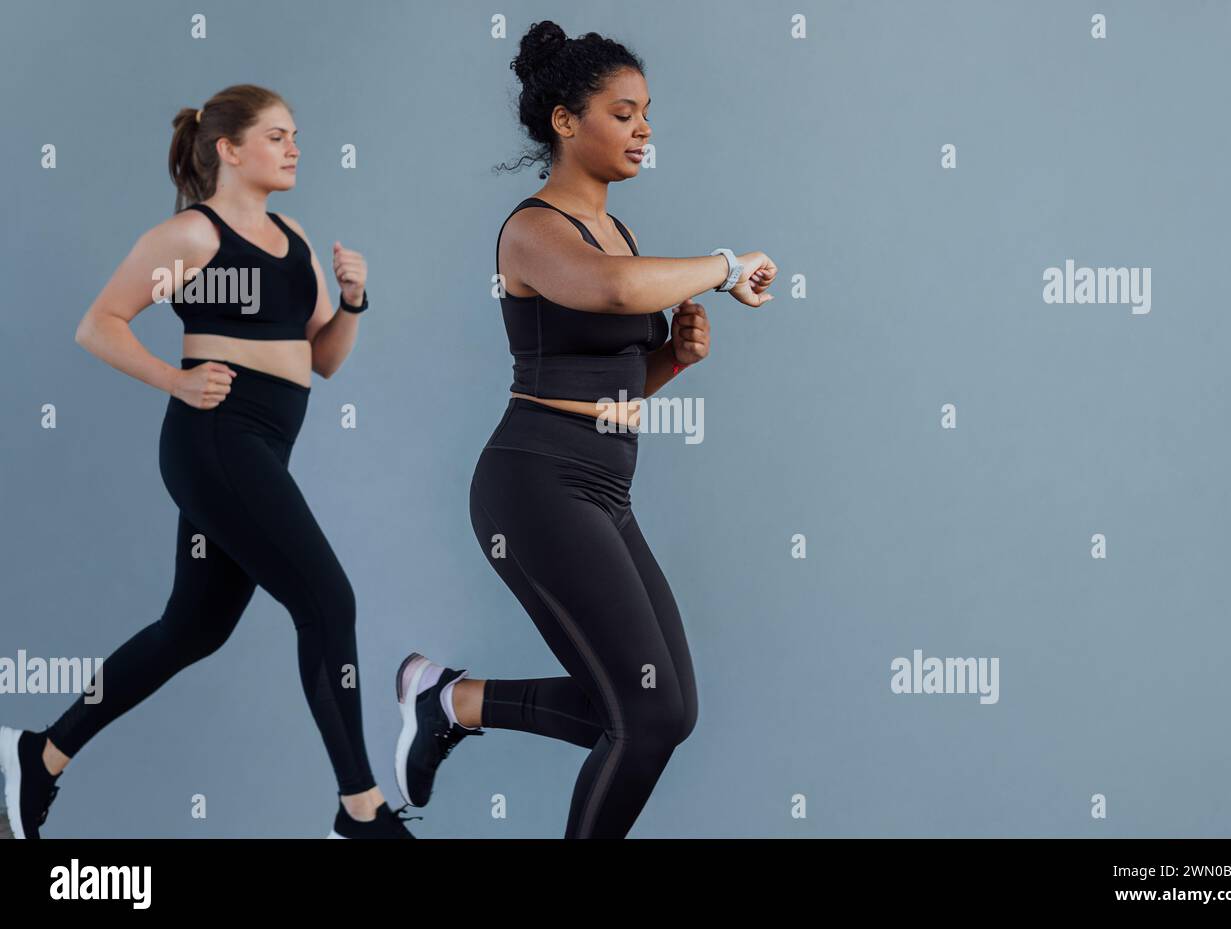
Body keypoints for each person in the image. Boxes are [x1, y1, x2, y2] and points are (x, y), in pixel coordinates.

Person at [394, 22, 777, 838]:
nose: (644, 130)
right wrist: (724, 264)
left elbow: (613, 369)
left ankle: (451, 703)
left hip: (605, 485)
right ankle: (447, 704)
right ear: (567, 122)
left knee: (664, 713)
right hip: (534, 482)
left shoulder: (619, 232)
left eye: (647, 115)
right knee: (640, 718)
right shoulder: (533, 230)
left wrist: (671, 361)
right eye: (623, 111)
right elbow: (610, 291)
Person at [0, 83, 414, 839]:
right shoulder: (193, 236)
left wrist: (353, 299)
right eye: (278, 135)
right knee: (328, 601)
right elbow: (100, 324)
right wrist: (176, 378)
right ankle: (361, 810)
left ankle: (38, 755)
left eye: (297, 136)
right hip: (216, 441)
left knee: (192, 628)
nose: (295, 148)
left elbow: (324, 362)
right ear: (229, 148)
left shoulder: (292, 236)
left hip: (262, 449)